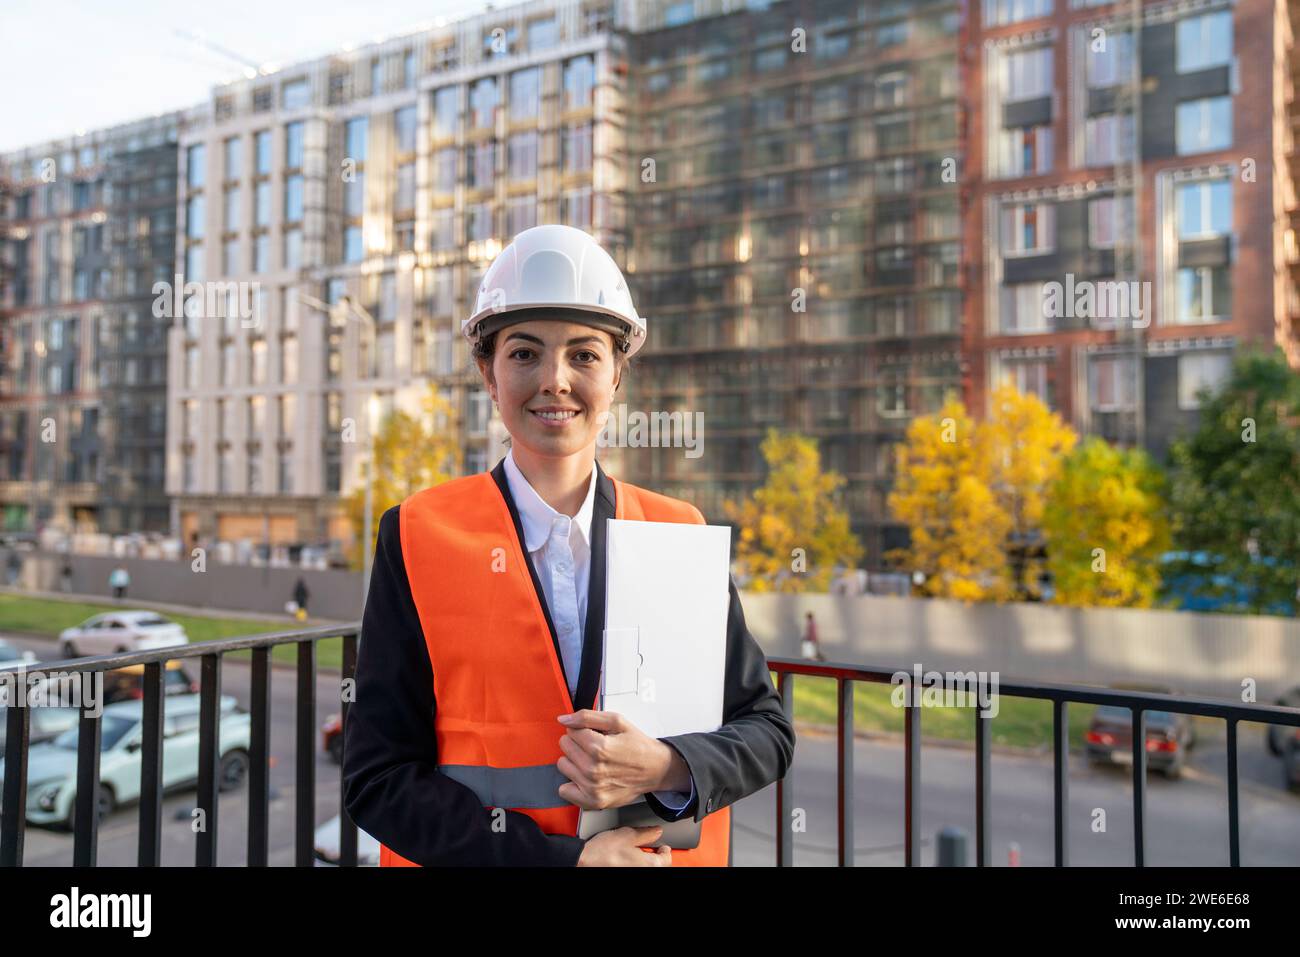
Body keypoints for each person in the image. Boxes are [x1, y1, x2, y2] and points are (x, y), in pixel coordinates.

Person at [343, 225, 795, 867]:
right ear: (488, 375)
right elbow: (378, 780)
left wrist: (666, 765)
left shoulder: (679, 534)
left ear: (618, 376)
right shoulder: (418, 535)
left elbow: (767, 732)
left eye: (584, 355)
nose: (555, 380)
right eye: (525, 354)